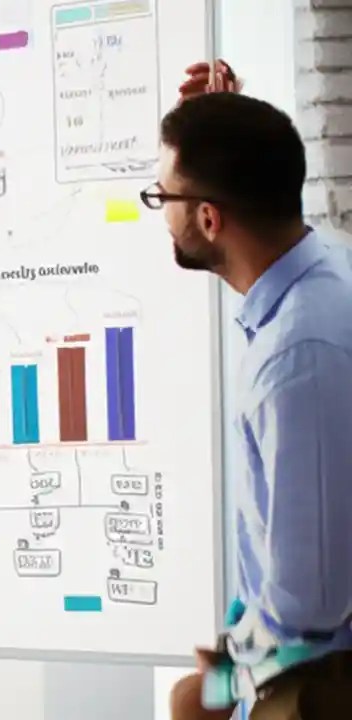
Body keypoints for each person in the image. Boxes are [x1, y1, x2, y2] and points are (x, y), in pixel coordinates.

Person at [151, 61, 352, 719]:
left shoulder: (298, 357)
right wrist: (229, 120)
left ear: (209, 218)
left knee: (183, 703)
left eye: (164, 198)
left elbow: (309, 604)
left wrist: (216, 688)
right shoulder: (321, 275)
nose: (162, 211)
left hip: (311, 681)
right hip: (290, 660)